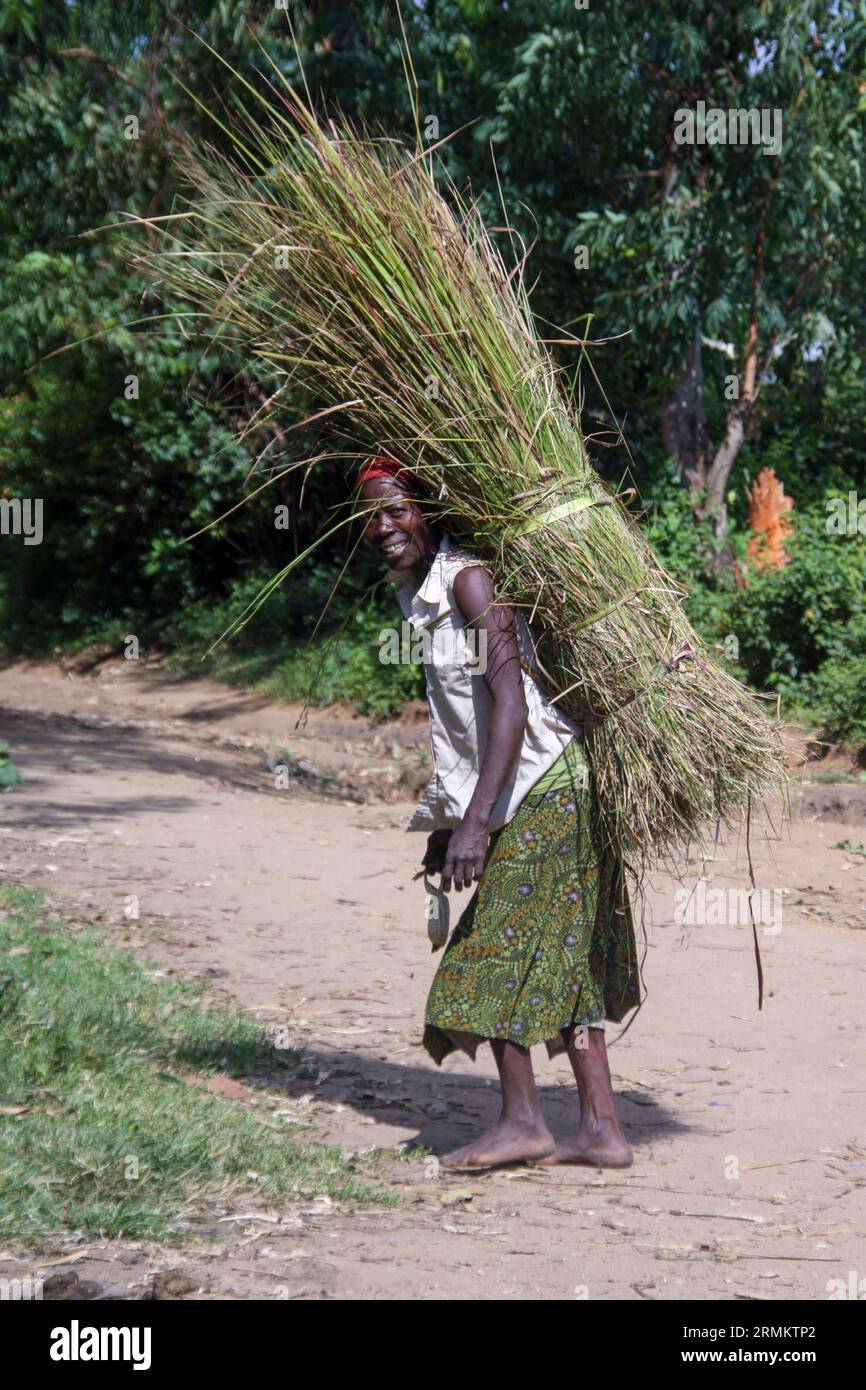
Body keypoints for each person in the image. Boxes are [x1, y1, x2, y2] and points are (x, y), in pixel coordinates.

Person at [357, 455, 641, 1172]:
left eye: (396, 509)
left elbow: (511, 703)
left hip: (553, 787)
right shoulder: (418, 595)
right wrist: (454, 824)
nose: (383, 526)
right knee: (563, 967)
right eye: (370, 515)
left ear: (426, 510)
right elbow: (468, 727)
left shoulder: (470, 580)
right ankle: (602, 1129)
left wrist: (478, 823)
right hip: (536, 792)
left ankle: (522, 1123)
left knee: (489, 954)